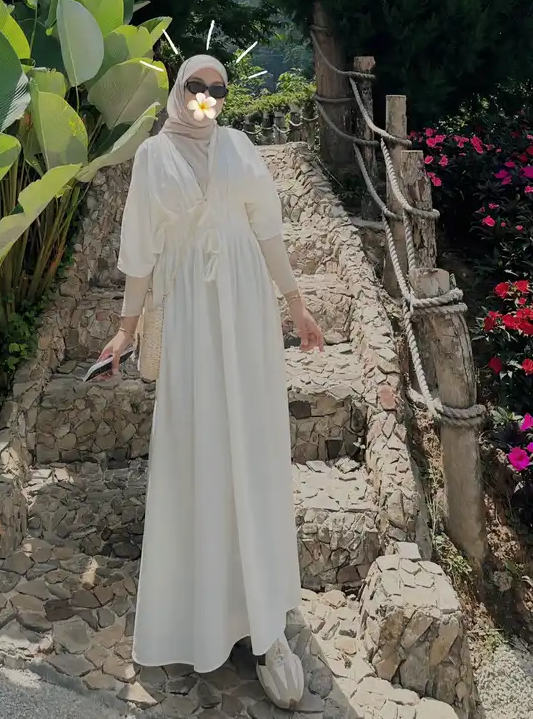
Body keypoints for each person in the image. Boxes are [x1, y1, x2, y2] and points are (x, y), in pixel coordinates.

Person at [98, 55, 324, 709]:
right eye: (195, 86)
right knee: (197, 451)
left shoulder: (241, 147)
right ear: (179, 89)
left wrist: (297, 304)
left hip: (246, 307)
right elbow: (140, 251)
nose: (205, 97)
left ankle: (266, 622)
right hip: (191, 316)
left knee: (251, 450)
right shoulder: (152, 157)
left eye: (216, 89)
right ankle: (198, 614)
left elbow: (268, 230)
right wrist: (126, 327)